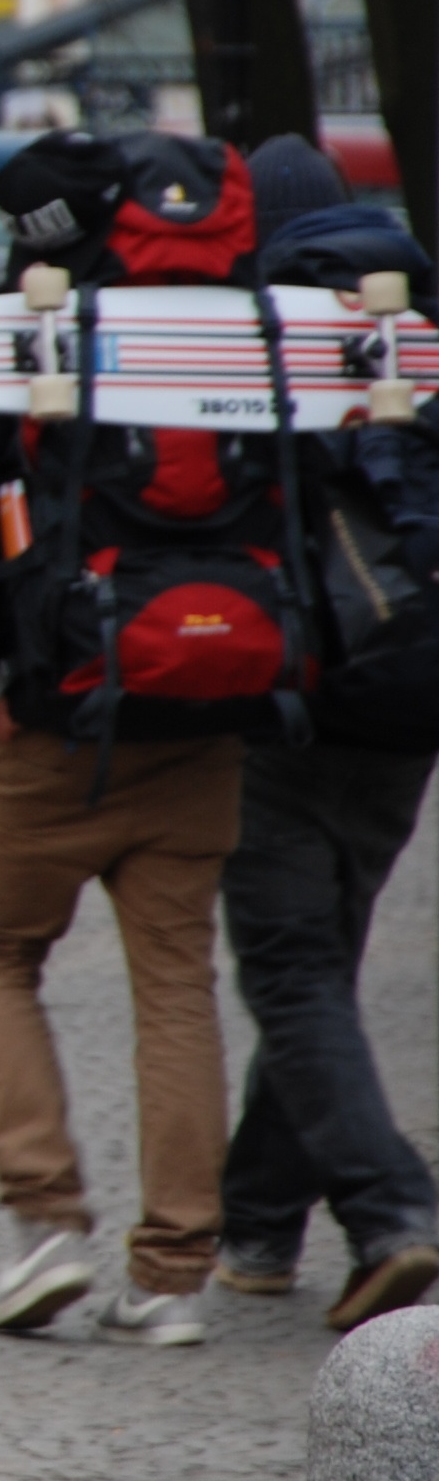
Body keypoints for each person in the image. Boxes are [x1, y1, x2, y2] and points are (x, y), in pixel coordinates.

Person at [0, 138, 254, 1348]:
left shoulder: (22, 326)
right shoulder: (240, 323)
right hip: (206, 697)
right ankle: (170, 1276)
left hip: (58, 707)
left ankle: (44, 1228)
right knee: (174, 987)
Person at [214, 132, 439, 1331]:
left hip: (295, 695)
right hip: (414, 700)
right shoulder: (412, 328)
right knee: (319, 962)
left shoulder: (243, 346)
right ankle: (256, 1227)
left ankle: (389, 1210)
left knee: (290, 965)